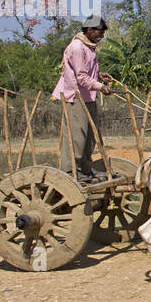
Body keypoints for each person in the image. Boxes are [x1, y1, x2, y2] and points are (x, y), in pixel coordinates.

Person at [52, 15, 114, 180]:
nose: (101, 37)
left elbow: (86, 72)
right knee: (77, 136)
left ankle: (86, 168)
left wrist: (99, 75)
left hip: (87, 96)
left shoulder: (89, 47)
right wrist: (101, 87)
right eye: (99, 33)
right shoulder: (78, 47)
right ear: (89, 30)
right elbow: (80, 77)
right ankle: (70, 170)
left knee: (90, 136)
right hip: (75, 96)